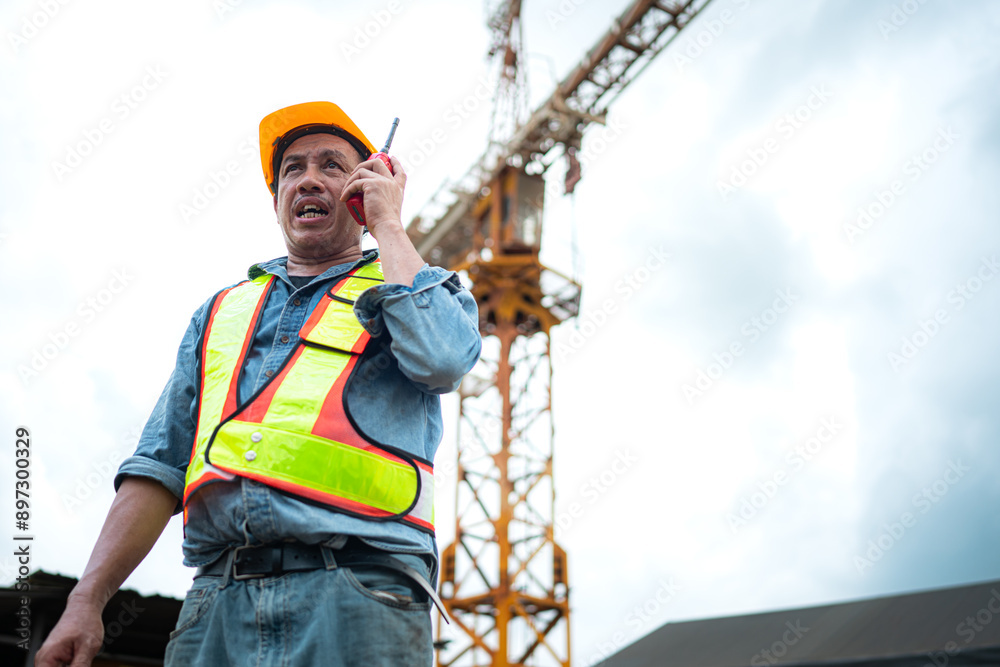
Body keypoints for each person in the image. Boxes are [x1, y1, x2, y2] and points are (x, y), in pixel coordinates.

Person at [35, 101, 482, 667]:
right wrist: (85, 601)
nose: (309, 179)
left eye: (332, 165)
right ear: (277, 201)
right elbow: (160, 466)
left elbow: (443, 359)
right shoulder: (222, 312)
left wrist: (388, 224)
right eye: (292, 169)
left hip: (360, 593)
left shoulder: (409, 287)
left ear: (365, 188)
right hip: (216, 602)